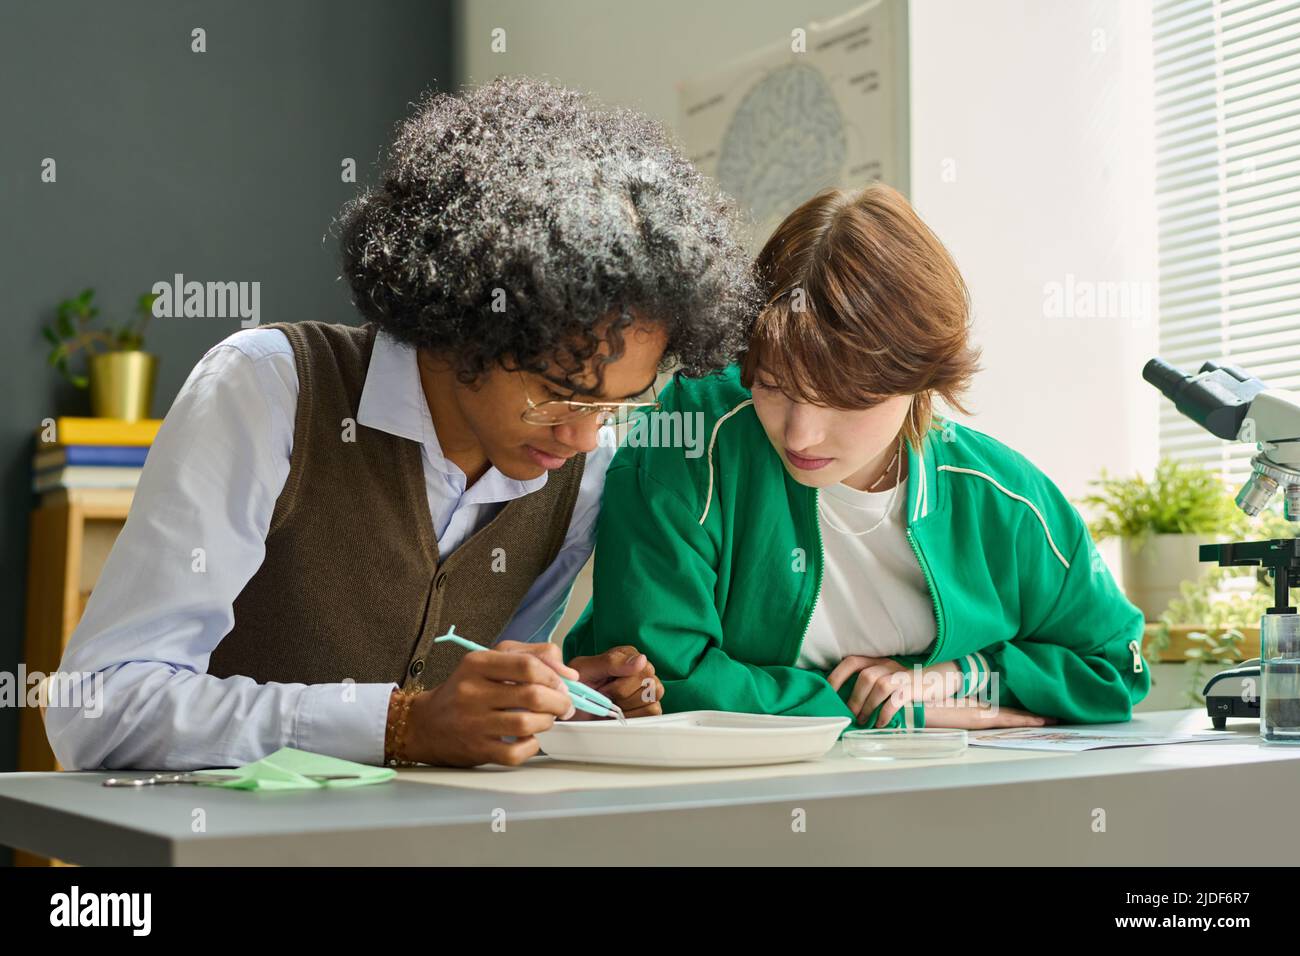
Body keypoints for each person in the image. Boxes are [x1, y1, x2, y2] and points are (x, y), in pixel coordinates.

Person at [46, 76, 755, 770]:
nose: (584, 437)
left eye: (614, 408)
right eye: (557, 392)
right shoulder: (267, 389)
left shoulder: (579, 474)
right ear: (466, 321)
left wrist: (553, 704)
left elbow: (471, 706)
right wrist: (398, 724)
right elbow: (101, 707)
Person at [565, 183, 1150, 730]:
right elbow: (652, 684)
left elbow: (1117, 668)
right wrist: (883, 711)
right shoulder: (687, 437)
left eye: (845, 400)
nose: (800, 435)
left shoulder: (1003, 498)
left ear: (921, 376)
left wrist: (961, 679)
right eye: (772, 385)